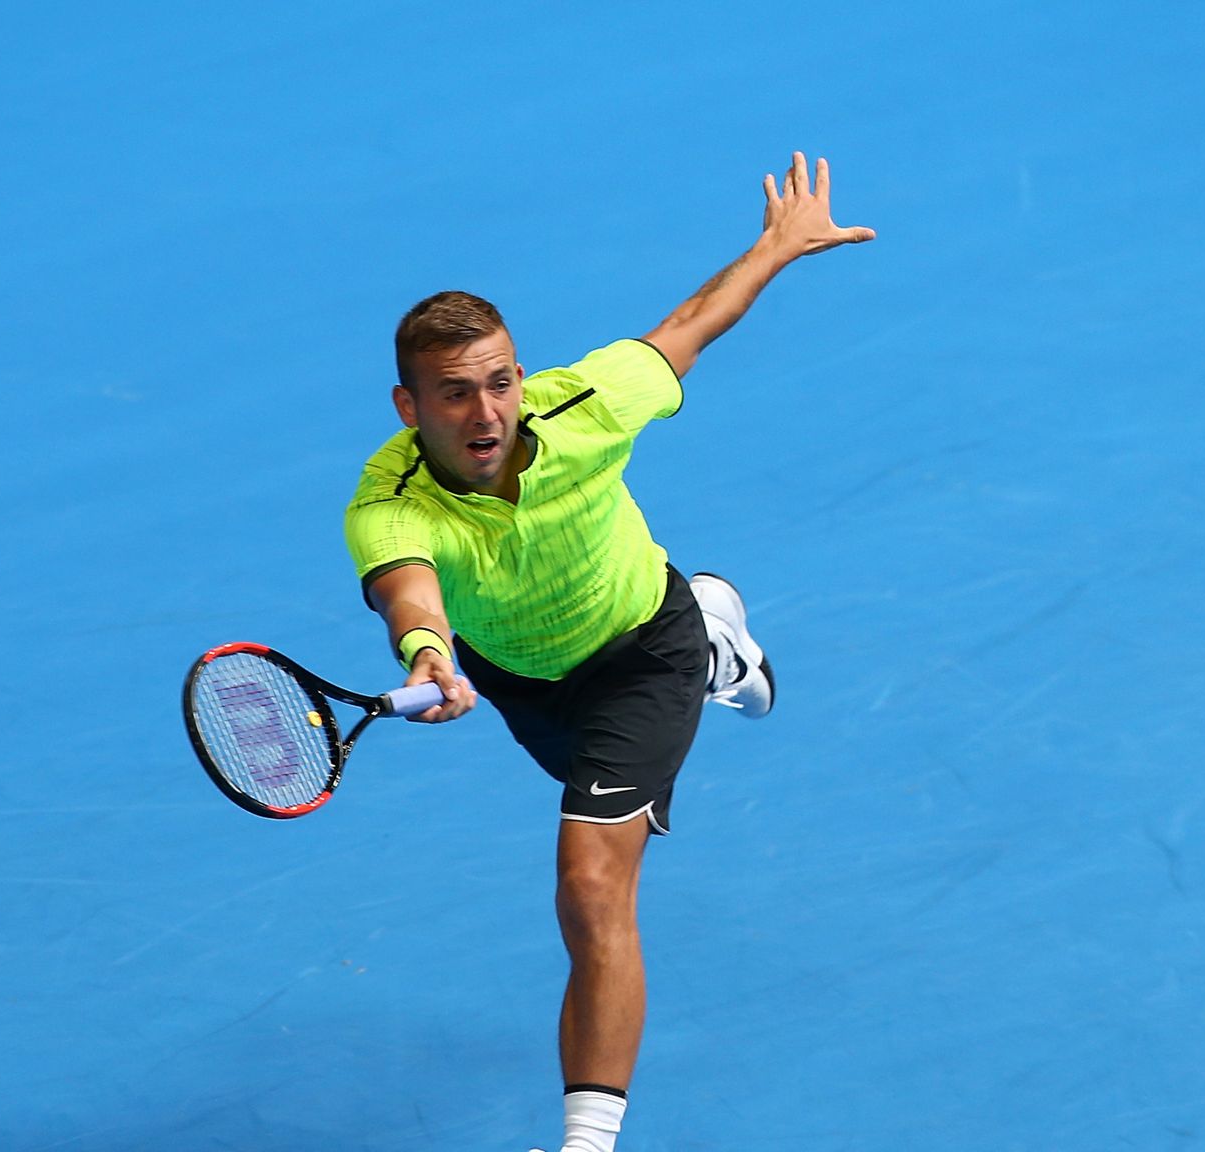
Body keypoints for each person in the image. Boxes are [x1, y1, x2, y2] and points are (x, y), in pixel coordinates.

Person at [342, 152, 874, 1152]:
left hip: (640, 651)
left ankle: (587, 1145)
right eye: (453, 394)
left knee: (590, 885)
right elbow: (407, 582)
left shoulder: (584, 405)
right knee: (582, 820)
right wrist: (427, 649)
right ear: (408, 409)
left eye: (499, 382)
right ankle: (728, 646)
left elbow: (687, 326)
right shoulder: (386, 503)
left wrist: (773, 247)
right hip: (520, 677)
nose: (487, 411)